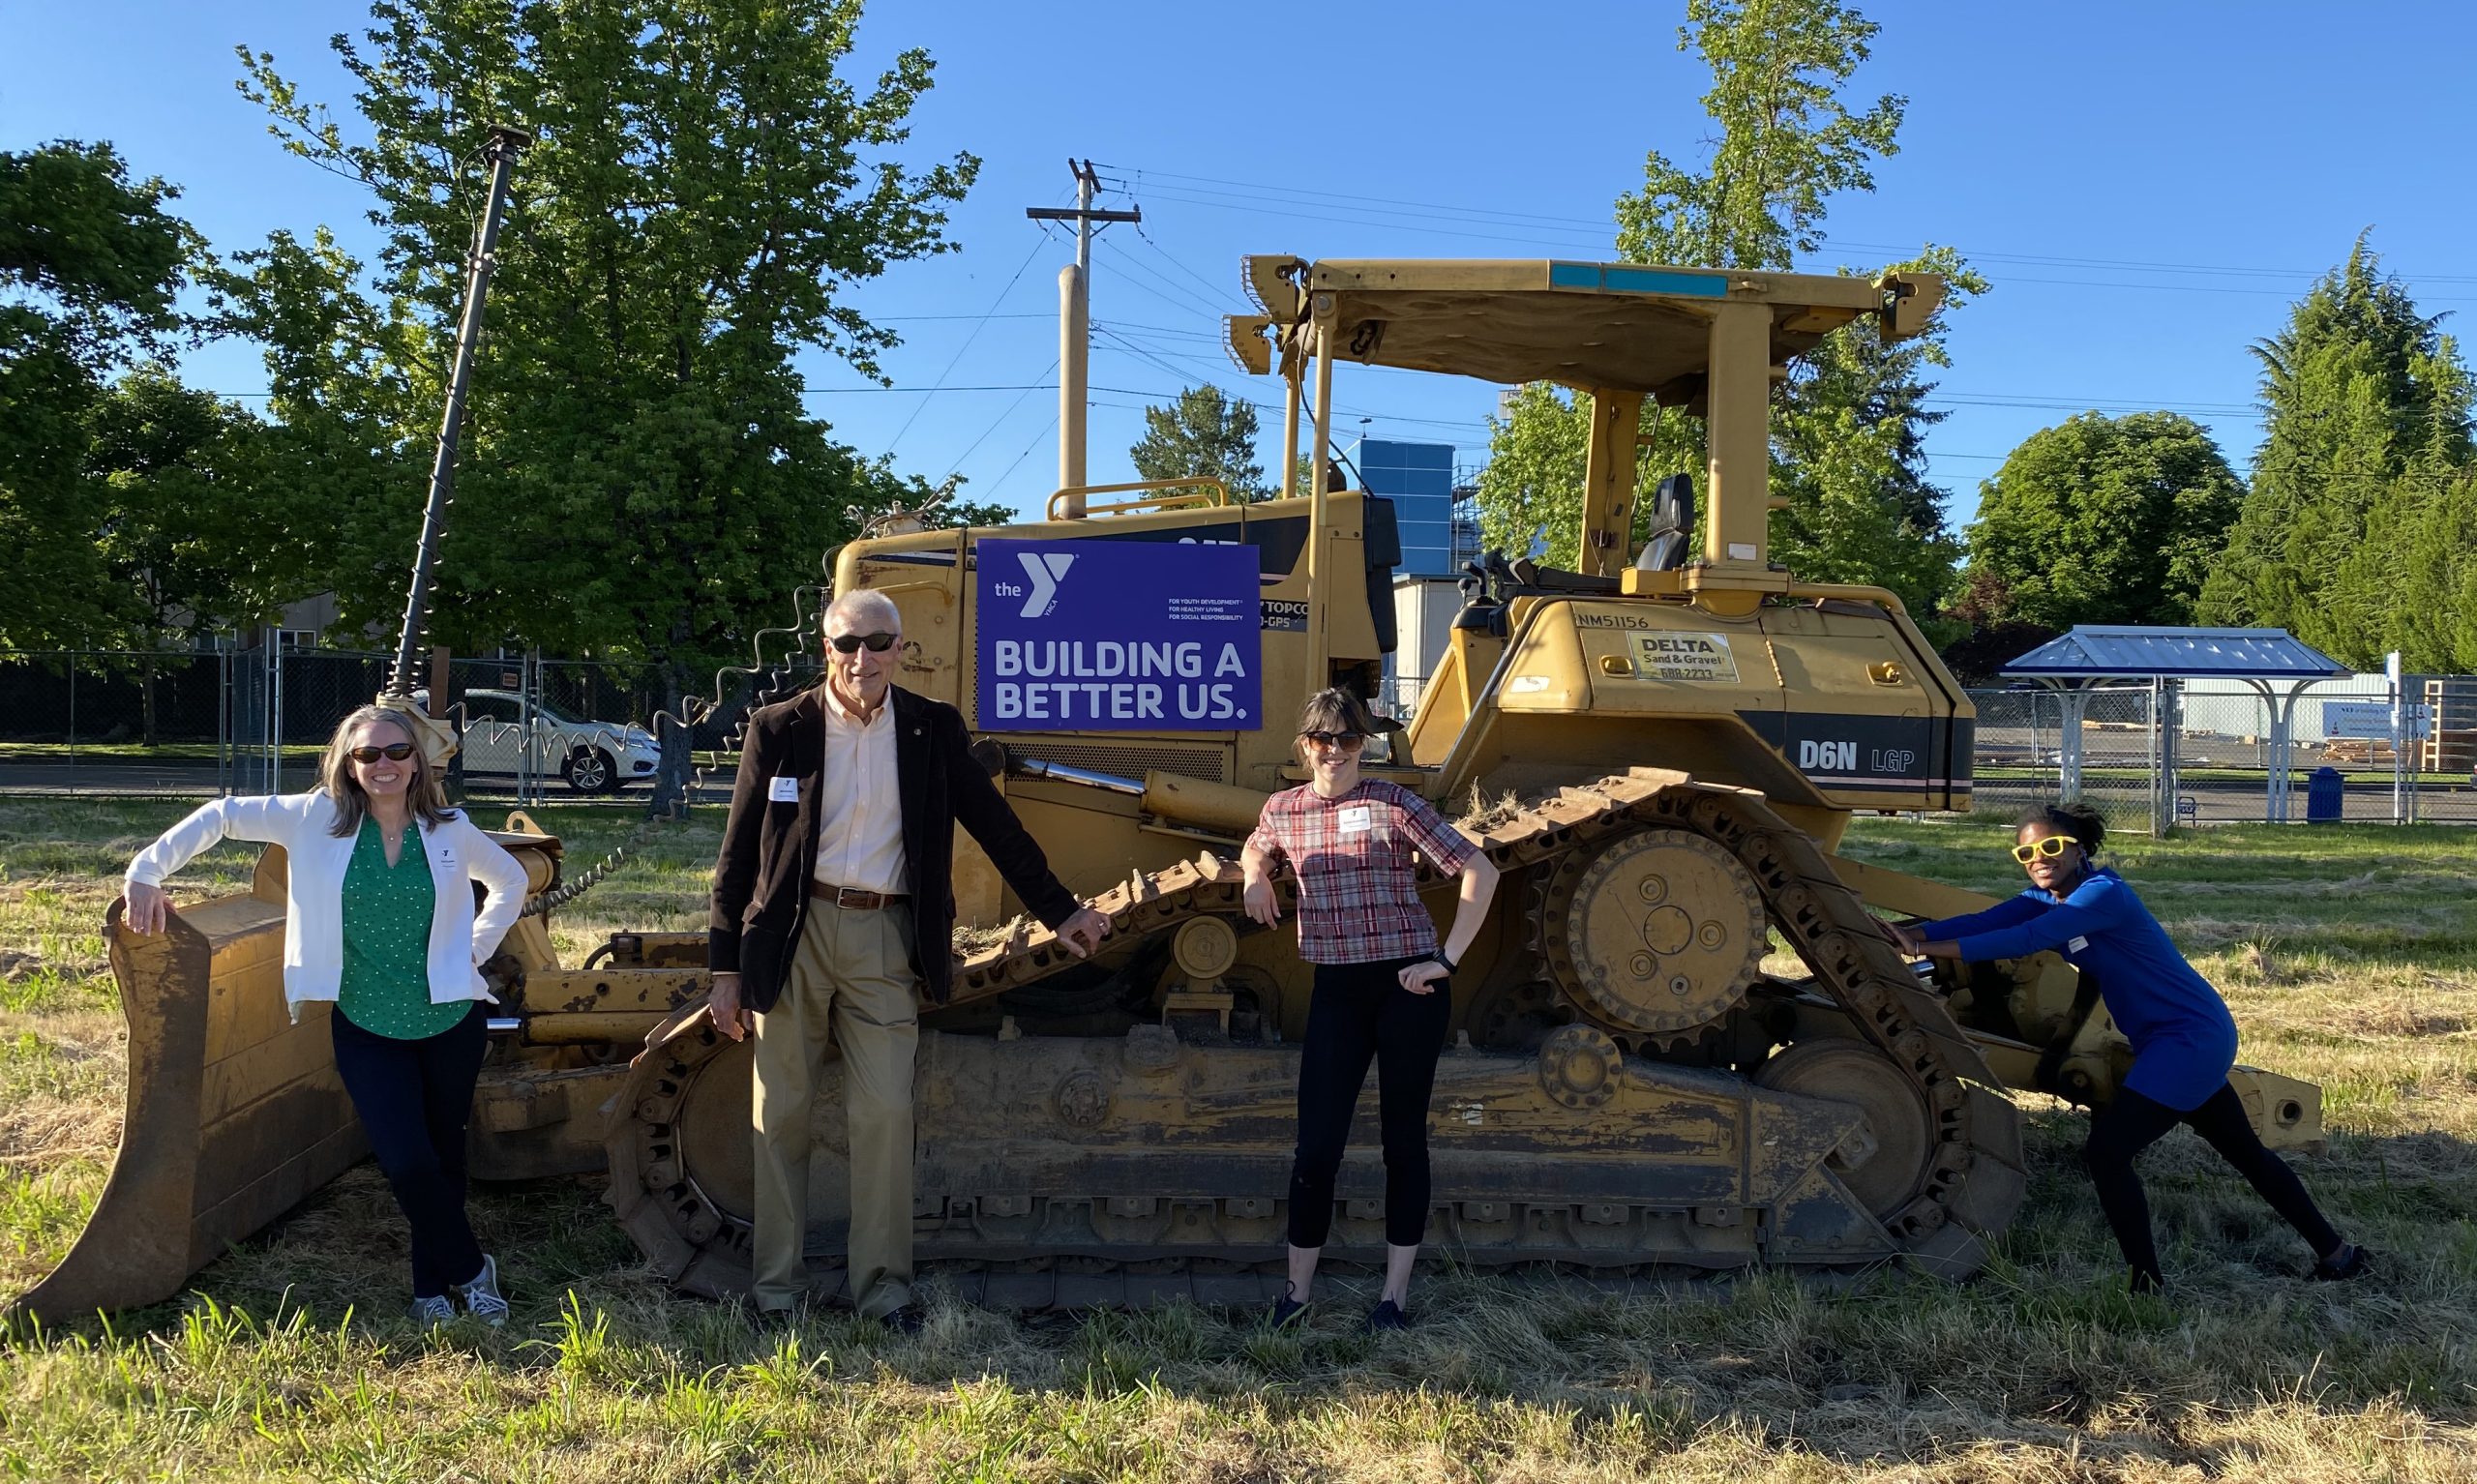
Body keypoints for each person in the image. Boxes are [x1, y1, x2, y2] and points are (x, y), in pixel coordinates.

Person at [707, 588, 1112, 1331]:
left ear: (901, 649)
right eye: (847, 643)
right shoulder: (779, 728)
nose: (863, 658)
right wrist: (724, 968)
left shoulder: (930, 728)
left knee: (887, 1114)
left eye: (878, 642)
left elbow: (995, 824)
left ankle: (884, 1290)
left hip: (885, 936)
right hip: (792, 937)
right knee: (782, 1114)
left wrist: (1061, 910)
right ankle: (775, 1290)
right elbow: (739, 853)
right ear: (826, 650)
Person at [123, 703, 530, 1325]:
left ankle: (432, 1289)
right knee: (406, 1161)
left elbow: (509, 880)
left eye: (397, 752)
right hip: (367, 1026)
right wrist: (146, 871)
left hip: (450, 1021)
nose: (384, 764)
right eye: (368, 754)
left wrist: (471, 949)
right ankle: (475, 1269)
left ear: (418, 761)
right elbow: (222, 816)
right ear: (347, 763)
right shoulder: (315, 819)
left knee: (444, 1155)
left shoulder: (449, 828)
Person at [1889, 802, 2367, 1294]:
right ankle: (2339, 1255)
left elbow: (2024, 938)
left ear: (2079, 850)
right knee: (2246, 1154)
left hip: (2188, 1038)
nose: (2039, 858)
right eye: (2027, 851)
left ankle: (2147, 1285)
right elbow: (1986, 921)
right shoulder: (2047, 898)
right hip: (2175, 1039)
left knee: (2107, 1154)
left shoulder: (2101, 896)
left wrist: (1919, 948)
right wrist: (1907, 934)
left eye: (2051, 847)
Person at [1241, 688, 1500, 1331]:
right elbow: (1257, 843)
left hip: (1408, 986)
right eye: (1323, 740)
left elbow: (1480, 870)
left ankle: (1393, 1300)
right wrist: (1253, 875)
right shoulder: (1285, 809)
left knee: (1403, 1143)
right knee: (1317, 1147)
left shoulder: (1393, 802)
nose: (1335, 751)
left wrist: (1448, 959)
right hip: (1338, 988)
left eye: (1349, 740)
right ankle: (1296, 1296)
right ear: (1305, 746)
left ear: (1364, 745)